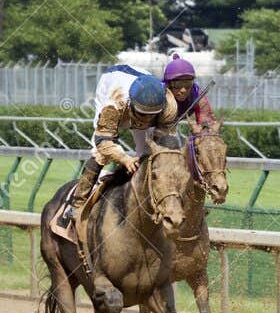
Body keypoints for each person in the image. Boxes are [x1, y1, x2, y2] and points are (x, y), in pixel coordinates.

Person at [61, 68, 179, 227]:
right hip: (111, 83)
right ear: (131, 104)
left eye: (152, 115)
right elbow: (103, 141)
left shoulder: (168, 105)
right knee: (100, 155)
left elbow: (165, 144)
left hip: (142, 83)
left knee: (152, 152)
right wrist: (124, 159)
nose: (147, 120)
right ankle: (77, 204)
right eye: (143, 114)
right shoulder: (114, 103)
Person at [161, 56, 220, 130]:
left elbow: (206, 121)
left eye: (188, 84)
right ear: (168, 84)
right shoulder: (159, 93)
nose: (183, 90)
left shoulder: (196, 93)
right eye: (177, 85)